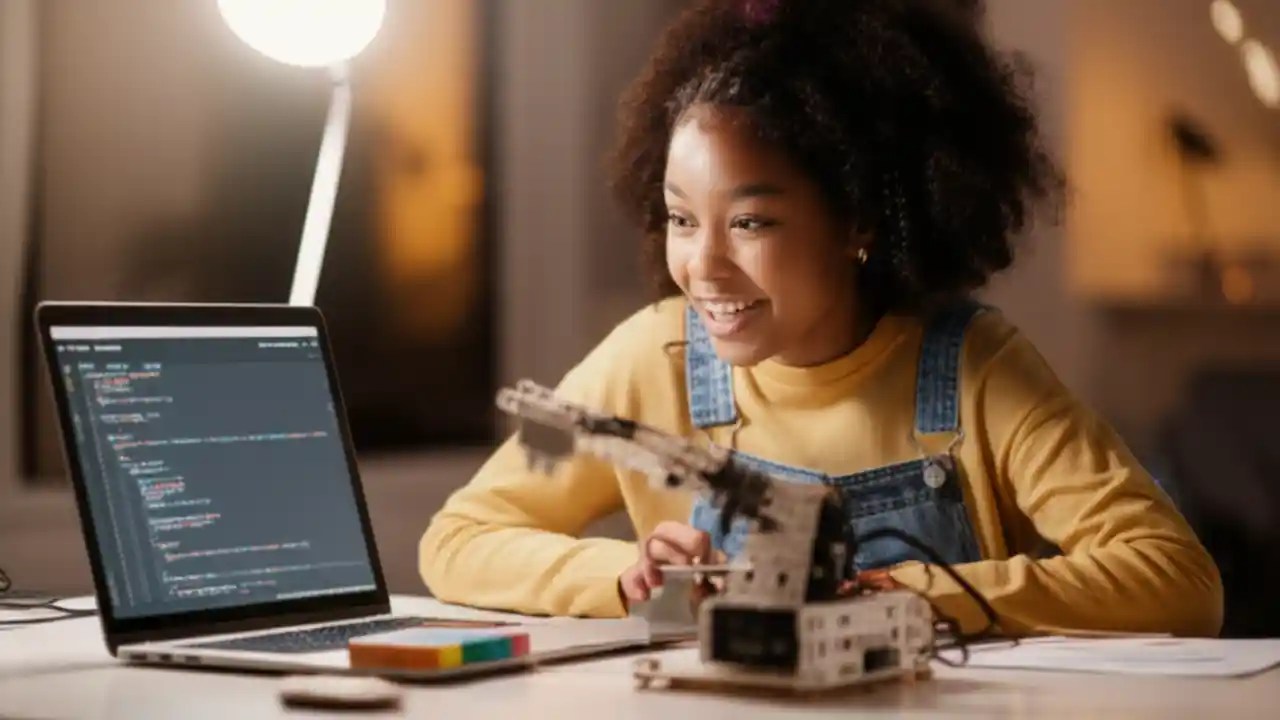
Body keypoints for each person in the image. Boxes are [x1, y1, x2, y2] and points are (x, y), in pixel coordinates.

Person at [419, 0, 1223, 637]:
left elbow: (1174, 579)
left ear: (859, 223)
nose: (703, 267)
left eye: (752, 223)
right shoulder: (646, 361)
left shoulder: (978, 370)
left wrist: (908, 594)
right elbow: (458, 539)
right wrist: (627, 579)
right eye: (681, 219)